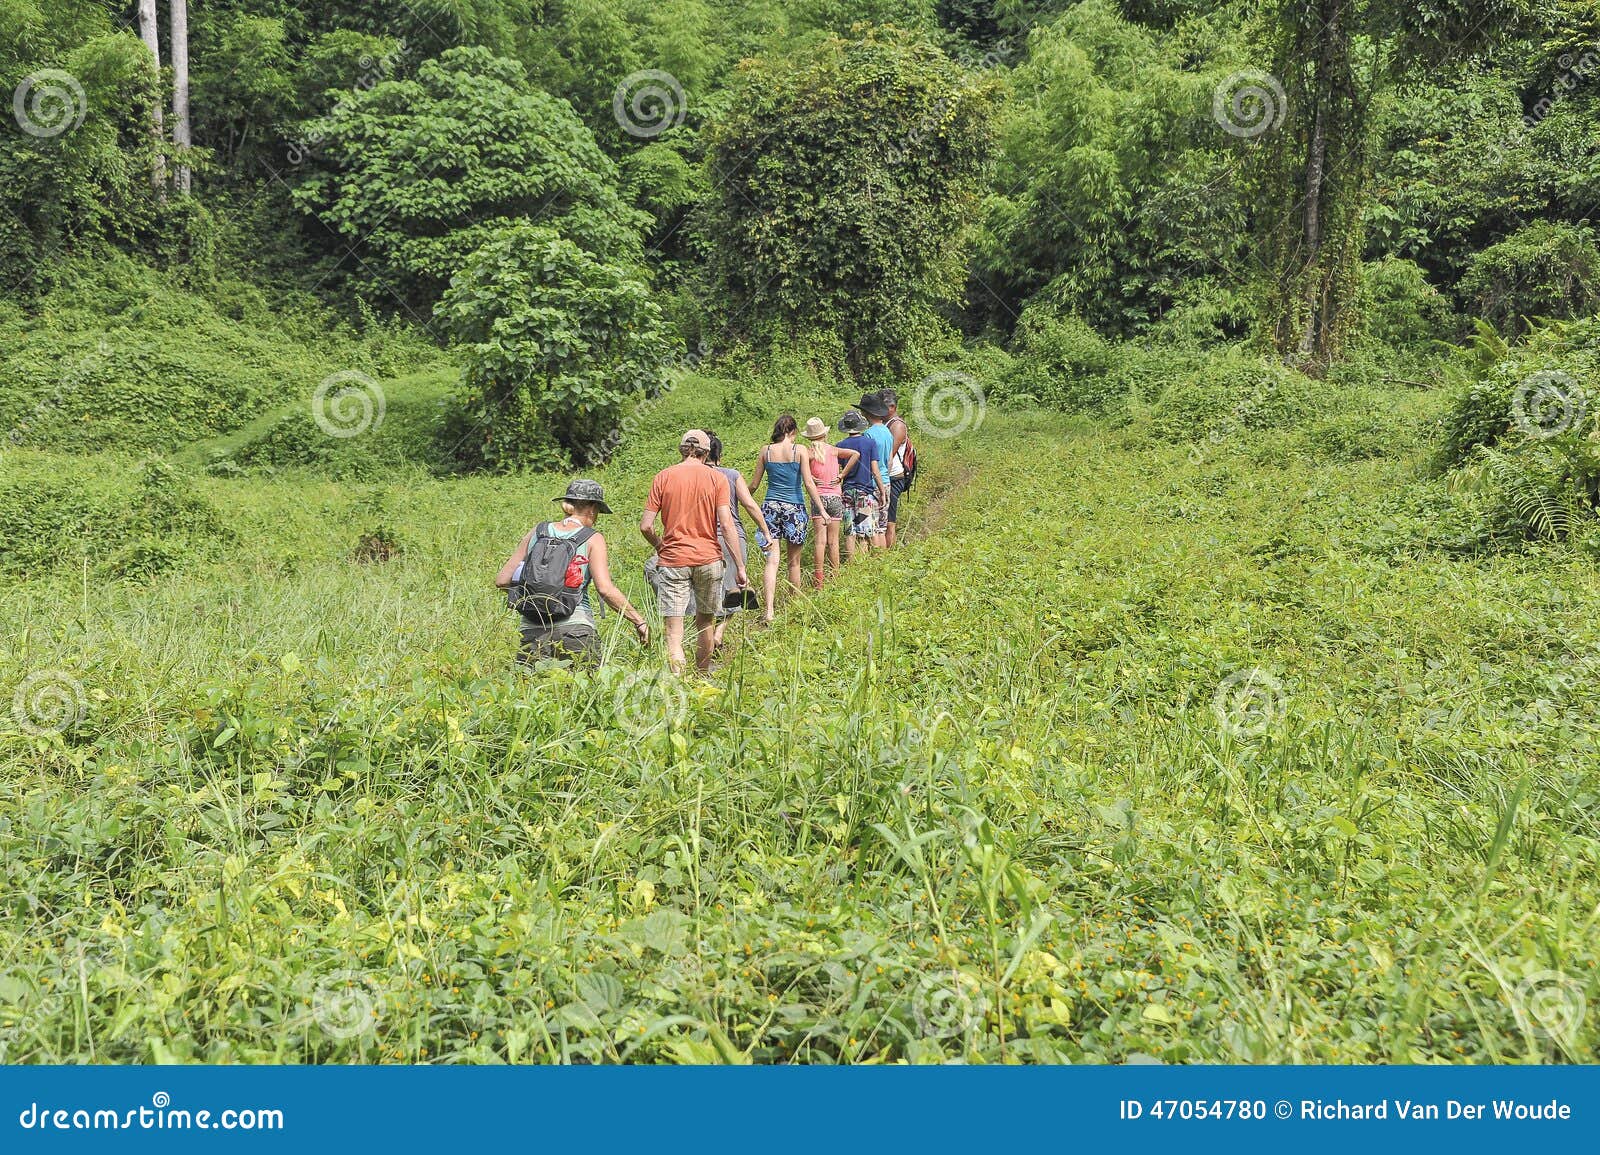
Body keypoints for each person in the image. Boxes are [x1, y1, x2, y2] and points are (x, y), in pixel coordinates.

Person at [496, 479, 649, 664]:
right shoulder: (593, 538)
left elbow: (503, 580)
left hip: (532, 631)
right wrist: (638, 620)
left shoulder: (538, 531)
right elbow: (605, 589)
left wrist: (535, 597)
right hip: (575, 629)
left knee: (530, 688)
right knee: (584, 689)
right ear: (592, 508)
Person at [641, 430, 748, 674]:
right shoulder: (717, 479)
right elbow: (727, 525)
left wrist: (660, 546)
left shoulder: (663, 477)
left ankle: (679, 682)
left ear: (681, 449)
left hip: (673, 561)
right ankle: (702, 678)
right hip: (709, 559)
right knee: (706, 623)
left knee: (674, 631)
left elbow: (646, 526)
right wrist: (740, 567)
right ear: (707, 452)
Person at [751, 414, 826, 624]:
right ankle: (794, 606)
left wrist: (740, 498)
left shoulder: (765, 451)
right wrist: (822, 510)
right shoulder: (799, 450)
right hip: (795, 508)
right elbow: (809, 483)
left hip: (770, 508)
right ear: (792, 432)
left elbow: (755, 484)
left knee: (772, 561)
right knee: (794, 563)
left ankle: (769, 611)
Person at [706, 429, 774, 648]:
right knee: (735, 591)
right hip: (732, 538)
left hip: (703, 539)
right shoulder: (732, 475)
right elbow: (749, 504)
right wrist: (765, 530)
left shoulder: (695, 476)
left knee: (708, 593)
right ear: (720, 456)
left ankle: (707, 638)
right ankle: (718, 633)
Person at [802, 416, 857, 588]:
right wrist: (842, 475)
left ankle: (818, 581)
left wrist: (810, 476)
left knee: (820, 542)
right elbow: (856, 454)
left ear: (810, 437)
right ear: (824, 435)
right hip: (835, 497)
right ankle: (836, 577)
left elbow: (797, 467)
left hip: (818, 498)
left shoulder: (808, 453)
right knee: (833, 542)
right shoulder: (833, 450)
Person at [835, 409, 885, 562]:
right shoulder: (870, 443)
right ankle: (861, 564)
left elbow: (837, 471)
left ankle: (851, 563)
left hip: (847, 492)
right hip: (864, 492)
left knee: (850, 530)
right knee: (864, 530)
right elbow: (875, 470)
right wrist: (882, 491)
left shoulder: (840, 446)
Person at [860, 392, 894, 549]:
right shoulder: (888, 432)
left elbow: (867, 463)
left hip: (872, 483)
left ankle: (870, 563)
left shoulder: (868, 434)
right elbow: (889, 461)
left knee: (871, 528)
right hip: (886, 482)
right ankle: (882, 560)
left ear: (866, 413)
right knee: (882, 526)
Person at [882, 388, 911, 549]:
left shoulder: (897, 426)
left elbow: (889, 456)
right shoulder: (887, 423)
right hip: (887, 475)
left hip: (894, 477)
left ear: (891, 407)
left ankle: (889, 556)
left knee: (889, 521)